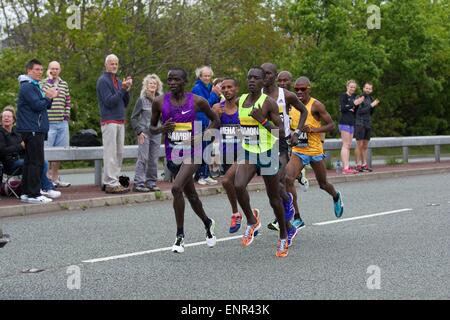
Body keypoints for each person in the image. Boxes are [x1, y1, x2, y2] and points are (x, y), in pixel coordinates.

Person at [150, 67, 220, 253]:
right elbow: (151, 128)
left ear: (184, 82)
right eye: (169, 80)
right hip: (173, 155)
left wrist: (204, 136)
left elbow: (216, 120)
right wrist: (161, 129)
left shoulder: (197, 101)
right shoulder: (158, 102)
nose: (172, 83)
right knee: (192, 196)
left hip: (194, 153)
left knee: (176, 188)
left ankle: (180, 236)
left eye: (176, 80)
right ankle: (207, 223)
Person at [234, 67, 293, 258]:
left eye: (256, 78)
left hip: (268, 152)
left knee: (273, 197)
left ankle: (283, 235)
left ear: (262, 82)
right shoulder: (240, 100)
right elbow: (233, 119)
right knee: (238, 185)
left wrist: (263, 121)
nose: (251, 80)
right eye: (249, 77)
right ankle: (252, 221)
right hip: (250, 152)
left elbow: (281, 133)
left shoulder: (268, 103)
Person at [286, 77, 344, 228]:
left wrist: (314, 129)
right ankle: (297, 217)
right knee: (288, 179)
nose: (299, 92)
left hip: (315, 151)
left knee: (323, 184)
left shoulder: (316, 105)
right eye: (296, 89)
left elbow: (331, 125)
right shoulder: (291, 105)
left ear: (309, 89)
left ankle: (336, 196)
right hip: (298, 150)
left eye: (303, 89)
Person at [260, 63, 308, 238]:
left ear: (274, 75)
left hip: (281, 142)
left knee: (280, 180)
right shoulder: (256, 95)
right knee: (271, 186)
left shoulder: (285, 95)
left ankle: (287, 214)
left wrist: (297, 132)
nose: (265, 77)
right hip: (261, 143)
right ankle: (286, 209)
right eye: (262, 74)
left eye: (268, 74)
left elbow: (303, 111)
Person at [16, 59, 58, 203]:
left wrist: (48, 98)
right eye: (37, 69)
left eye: (41, 69)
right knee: (35, 162)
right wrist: (48, 97)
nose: (40, 72)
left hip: (34, 128)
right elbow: (37, 105)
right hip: (32, 129)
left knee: (29, 162)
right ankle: (34, 194)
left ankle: (27, 193)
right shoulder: (27, 86)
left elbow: (44, 106)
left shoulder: (34, 85)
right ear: (29, 71)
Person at [0, 106, 60, 201]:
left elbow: (25, 147)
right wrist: (20, 146)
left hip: (21, 158)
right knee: (34, 163)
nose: (6, 118)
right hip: (9, 163)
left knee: (42, 161)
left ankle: (43, 188)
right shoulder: (1, 133)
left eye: (9, 116)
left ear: (13, 120)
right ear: (1, 120)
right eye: (4, 117)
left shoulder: (17, 132)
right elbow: (2, 151)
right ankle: (45, 188)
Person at [96, 54, 132, 194]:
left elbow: (124, 103)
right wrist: (122, 89)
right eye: (111, 63)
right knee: (110, 153)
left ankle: (110, 181)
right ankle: (111, 183)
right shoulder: (103, 81)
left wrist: (126, 89)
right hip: (109, 120)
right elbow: (109, 102)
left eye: (116, 63)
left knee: (119, 153)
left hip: (120, 119)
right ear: (106, 65)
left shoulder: (117, 80)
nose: (114, 66)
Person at [211, 78, 242, 233]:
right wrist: (216, 117)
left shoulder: (243, 107)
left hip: (244, 153)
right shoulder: (217, 107)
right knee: (237, 187)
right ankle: (252, 217)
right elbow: (212, 129)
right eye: (223, 87)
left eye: (230, 87)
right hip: (227, 154)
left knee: (227, 181)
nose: (227, 90)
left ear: (236, 89)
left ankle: (236, 214)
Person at [131, 74, 163, 192]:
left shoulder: (161, 100)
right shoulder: (141, 100)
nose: (153, 85)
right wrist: (139, 132)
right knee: (143, 158)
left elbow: (163, 117)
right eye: (150, 83)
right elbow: (133, 118)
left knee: (154, 159)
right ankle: (138, 183)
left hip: (157, 132)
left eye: (155, 83)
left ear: (158, 86)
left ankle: (151, 182)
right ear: (146, 85)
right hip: (144, 133)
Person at [41, 61, 71, 188]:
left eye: (57, 69)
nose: (54, 71)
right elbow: (44, 95)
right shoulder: (43, 83)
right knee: (47, 153)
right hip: (49, 123)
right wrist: (49, 79)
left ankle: (55, 178)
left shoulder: (64, 84)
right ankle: (46, 180)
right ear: (48, 70)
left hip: (62, 123)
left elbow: (68, 100)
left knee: (59, 153)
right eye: (52, 69)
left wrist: (66, 115)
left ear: (60, 70)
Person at [191, 66, 221, 186]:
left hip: (208, 122)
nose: (207, 78)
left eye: (209, 76)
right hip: (199, 122)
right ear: (200, 76)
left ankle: (205, 174)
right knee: (201, 149)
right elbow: (205, 105)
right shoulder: (197, 88)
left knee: (207, 149)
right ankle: (200, 176)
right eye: (205, 76)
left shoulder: (209, 87)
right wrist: (214, 94)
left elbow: (213, 104)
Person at [339, 80, 364, 174]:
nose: (352, 89)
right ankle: (345, 168)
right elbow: (342, 108)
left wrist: (358, 104)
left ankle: (347, 167)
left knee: (349, 145)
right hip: (344, 122)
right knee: (345, 145)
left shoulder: (354, 97)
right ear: (347, 87)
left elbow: (354, 110)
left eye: (354, 87)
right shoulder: (343, 96)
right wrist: (354, 103)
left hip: (351, 122)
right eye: (351, 87)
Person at [355, 82, 380, 172]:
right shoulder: (360, 97)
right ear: (363, 88)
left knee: (365, 146)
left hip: (368, 123)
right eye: (366, 88)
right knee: (359, 145)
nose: (368, 90)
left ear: (372, 90)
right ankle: (357, 165)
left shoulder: (371, 98)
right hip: (360, 123)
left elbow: (370, 113)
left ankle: (364, 164)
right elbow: (360, 111)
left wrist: (373, 106)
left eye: (369, 88)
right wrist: (371, 105)